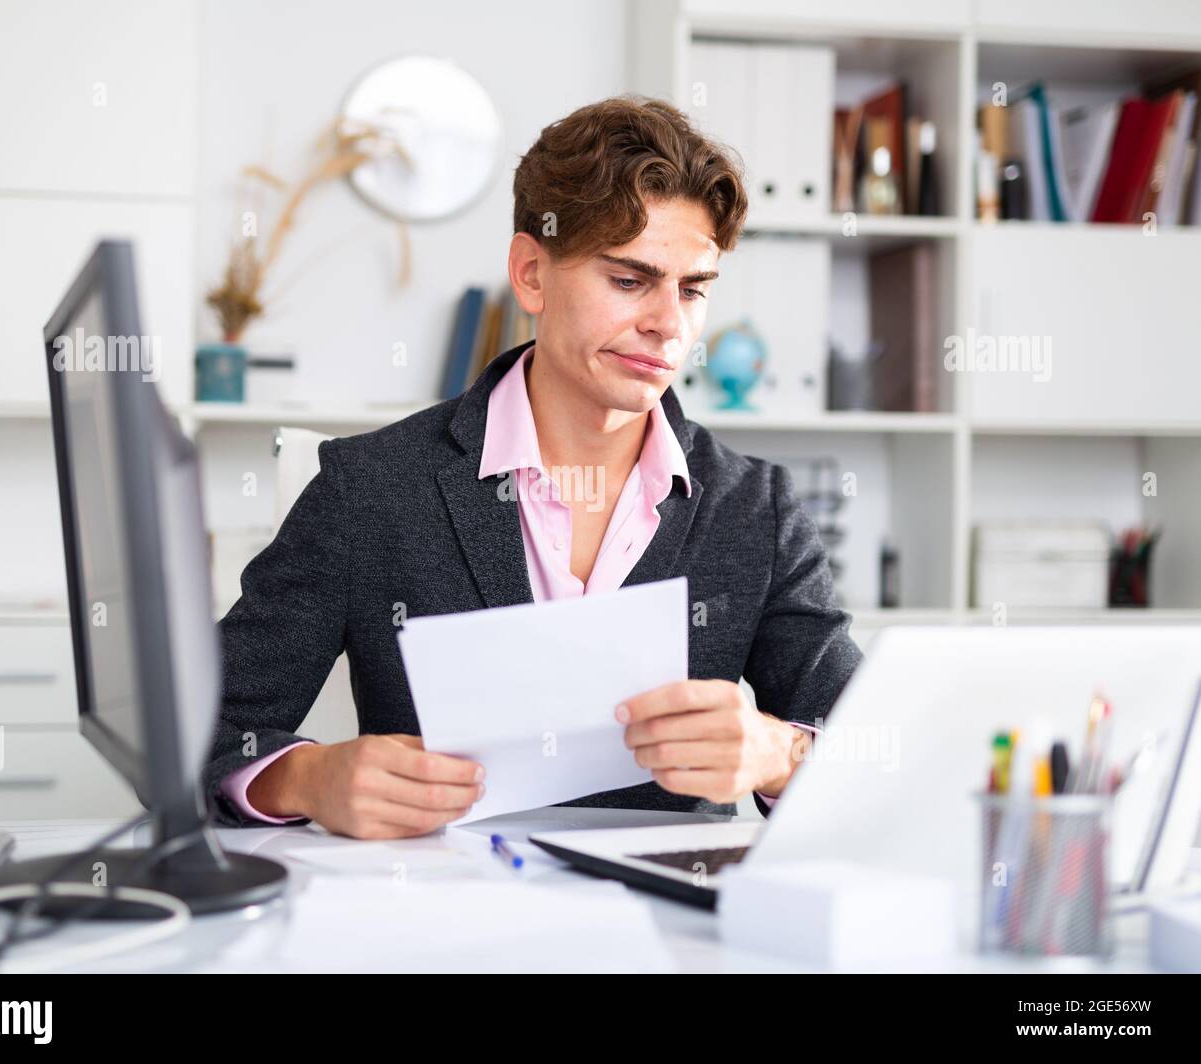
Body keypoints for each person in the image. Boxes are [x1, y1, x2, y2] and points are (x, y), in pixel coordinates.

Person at [204, 95, 862, 838]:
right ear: (531, 274)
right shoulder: (371, 488)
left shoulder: (757, 509)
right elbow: (203, 726)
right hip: (440, 920)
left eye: (693, 288)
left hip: (668, 936)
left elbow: (877, 751)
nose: (669, 324)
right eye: (629, 280)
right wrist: (306, 776)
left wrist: (781, 752)